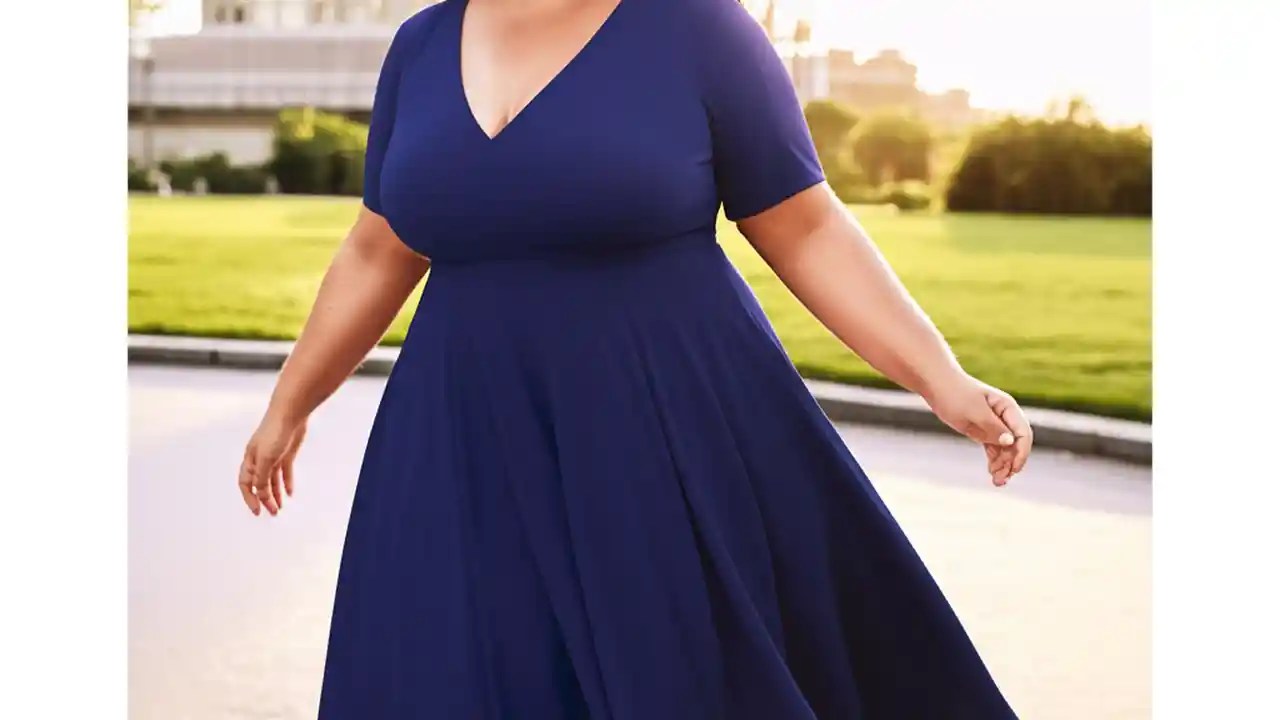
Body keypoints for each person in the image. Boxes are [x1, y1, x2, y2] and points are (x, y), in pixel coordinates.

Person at [236, 0, 1032, 716]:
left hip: (662, 436)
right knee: (452, 674)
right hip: (461, 440)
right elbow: (380, 247)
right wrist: (291, 403)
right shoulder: (420, 44)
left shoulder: (698, 27)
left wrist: (940, 378)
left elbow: (807, 226)